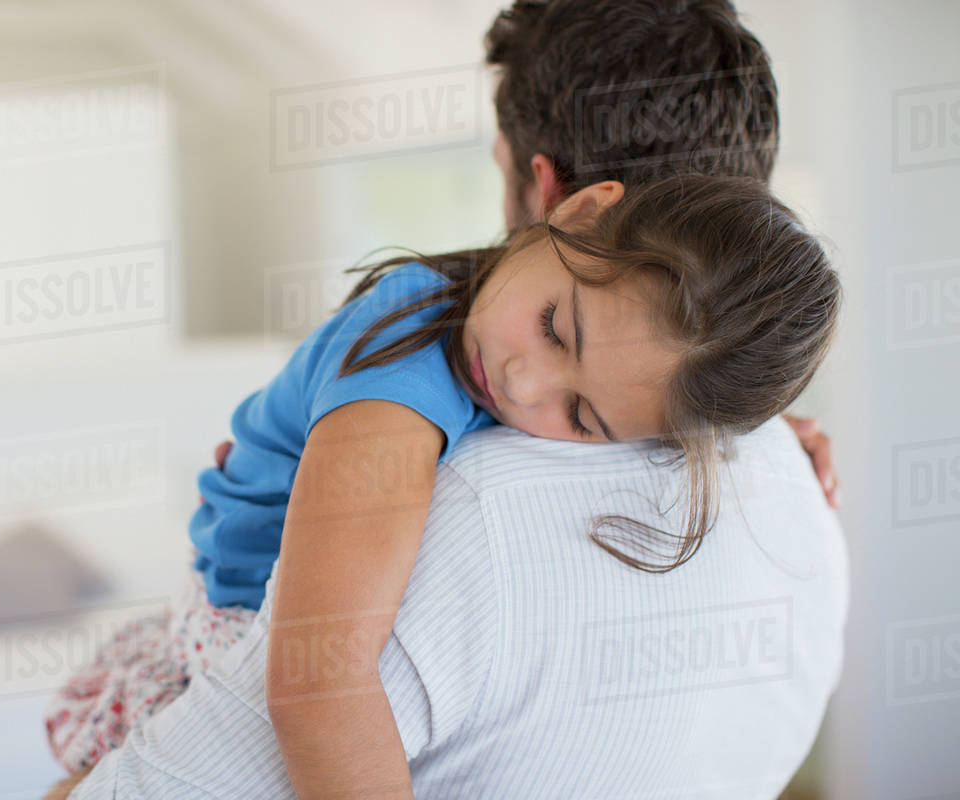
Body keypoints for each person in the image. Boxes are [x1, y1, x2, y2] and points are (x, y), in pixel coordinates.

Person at [44, 0, 844, 795]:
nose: (524, 385)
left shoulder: (631, 360)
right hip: (230, 629)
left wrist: (756, 427)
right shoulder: (404, 347)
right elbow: (321, 682)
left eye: (582, 418)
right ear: (578, 205)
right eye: (554, 328)